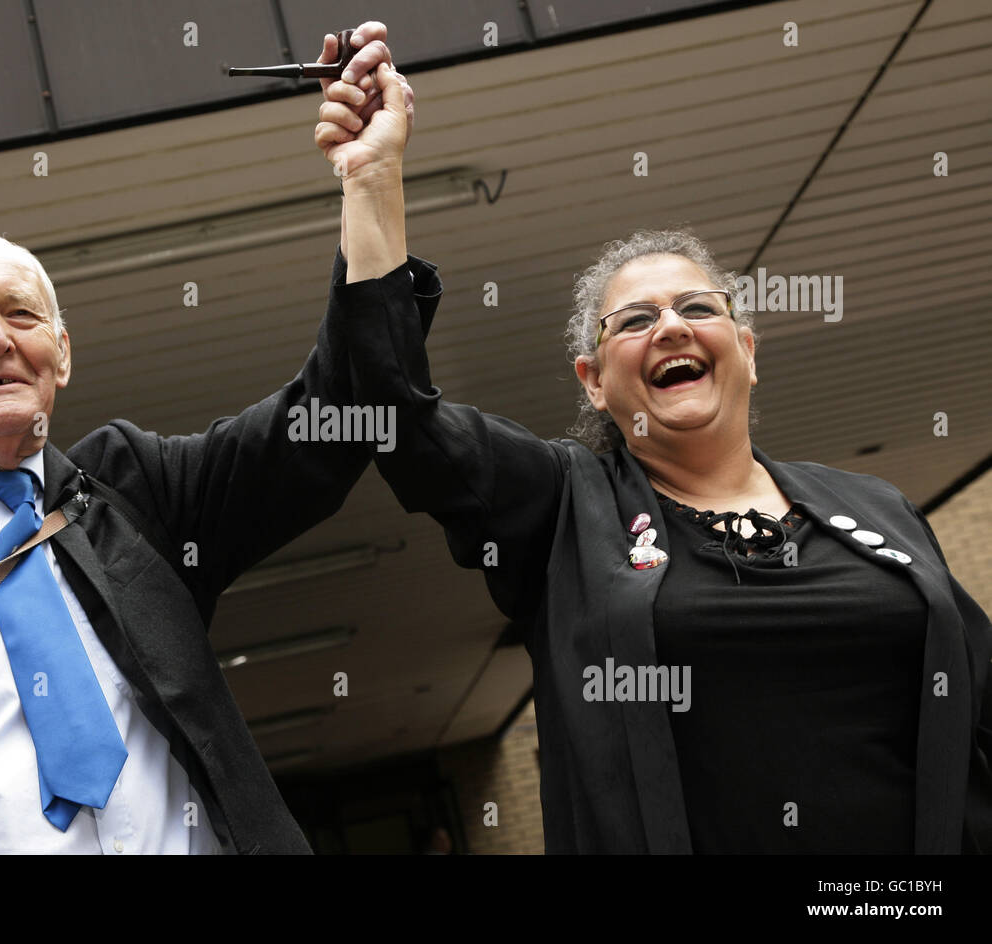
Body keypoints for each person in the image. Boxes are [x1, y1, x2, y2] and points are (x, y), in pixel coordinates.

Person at [0, 23, 420, 854]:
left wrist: (371, 179)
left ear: (62, 353)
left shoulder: (138, 494)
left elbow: (340, 416)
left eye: (21, 313)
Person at [315, 42, 992, 853]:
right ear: (594, 380)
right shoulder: (563, 510)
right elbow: (398, 411)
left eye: (696, 308)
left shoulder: (878, 508)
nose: (669, 326)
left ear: (747, 347)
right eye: (633, 322)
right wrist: (371, 178)